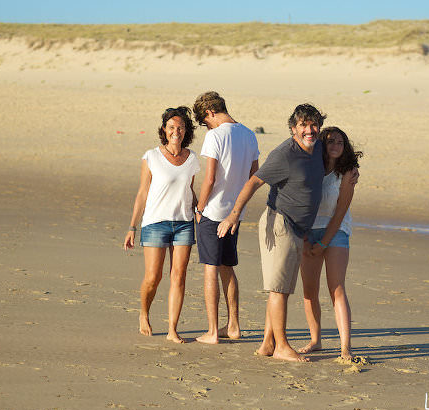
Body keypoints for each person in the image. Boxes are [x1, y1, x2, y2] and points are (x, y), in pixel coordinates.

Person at [218, 104, 327, 362]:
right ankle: (282, 346)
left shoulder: (319, 147)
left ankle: (268, 343)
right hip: (280, 223)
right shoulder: (284, 155)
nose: (309, 130)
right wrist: (234, 214)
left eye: (313, 125)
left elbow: (339, 151)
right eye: (303, 125)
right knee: (280, 290)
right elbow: (254, 181)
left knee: (282, 287)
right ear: (293, 129)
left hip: (299, 228)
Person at [123, 106, 200, 343]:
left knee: (179, 276)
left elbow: (189, 190)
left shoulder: (192, 158)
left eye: (180, 127)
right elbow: (142, 193)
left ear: (185, 131)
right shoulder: (152, 156)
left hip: (184, 223)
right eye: (171, 127)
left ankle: (172, 330)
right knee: (153, 277)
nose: (176, 131)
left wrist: (200, 211)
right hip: (156, 223)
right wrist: (132, 226)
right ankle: (144, 313)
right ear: (164, 130)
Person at [191, 91, 259, 344]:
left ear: (209, 113)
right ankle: (233, 326)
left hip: (213, 212)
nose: (205, 125)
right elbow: (255, 175)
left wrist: (199, 207)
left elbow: (209, 178)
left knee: (211, 269)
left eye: (203, 121)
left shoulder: (215, 136)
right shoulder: (249, 134)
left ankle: (211, 331)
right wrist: (238, 207)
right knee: (227, 268)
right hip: (234, 213)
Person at [298, 127, 362, 361]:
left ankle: (346, 347)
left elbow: (340, 211)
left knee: (336, 288)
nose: (335, 145)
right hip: (308, 231)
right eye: (330, 141)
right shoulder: (310, 169)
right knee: (309, 290)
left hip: (336, 232)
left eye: (340, 142)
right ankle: (316, 340)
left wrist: (323, 243)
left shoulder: (347, 173)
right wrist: (305, 238)